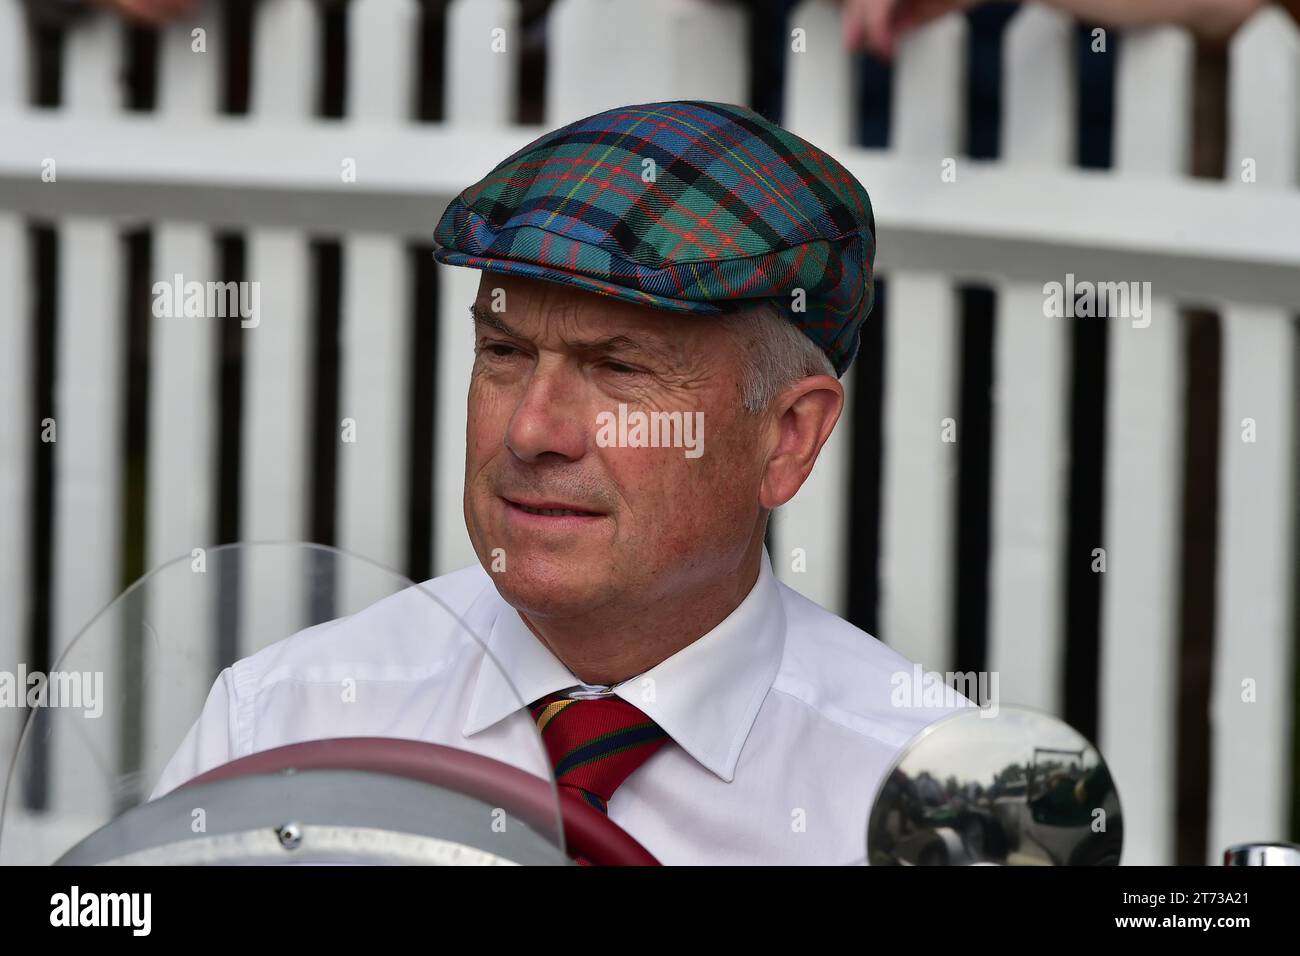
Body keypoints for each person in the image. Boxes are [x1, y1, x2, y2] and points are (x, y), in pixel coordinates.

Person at [152, 99, 971, 865]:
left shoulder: (931, 809)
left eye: (619, 368)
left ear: (787, 437)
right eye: (503, 353)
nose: (532, 430)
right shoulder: (287, 720)